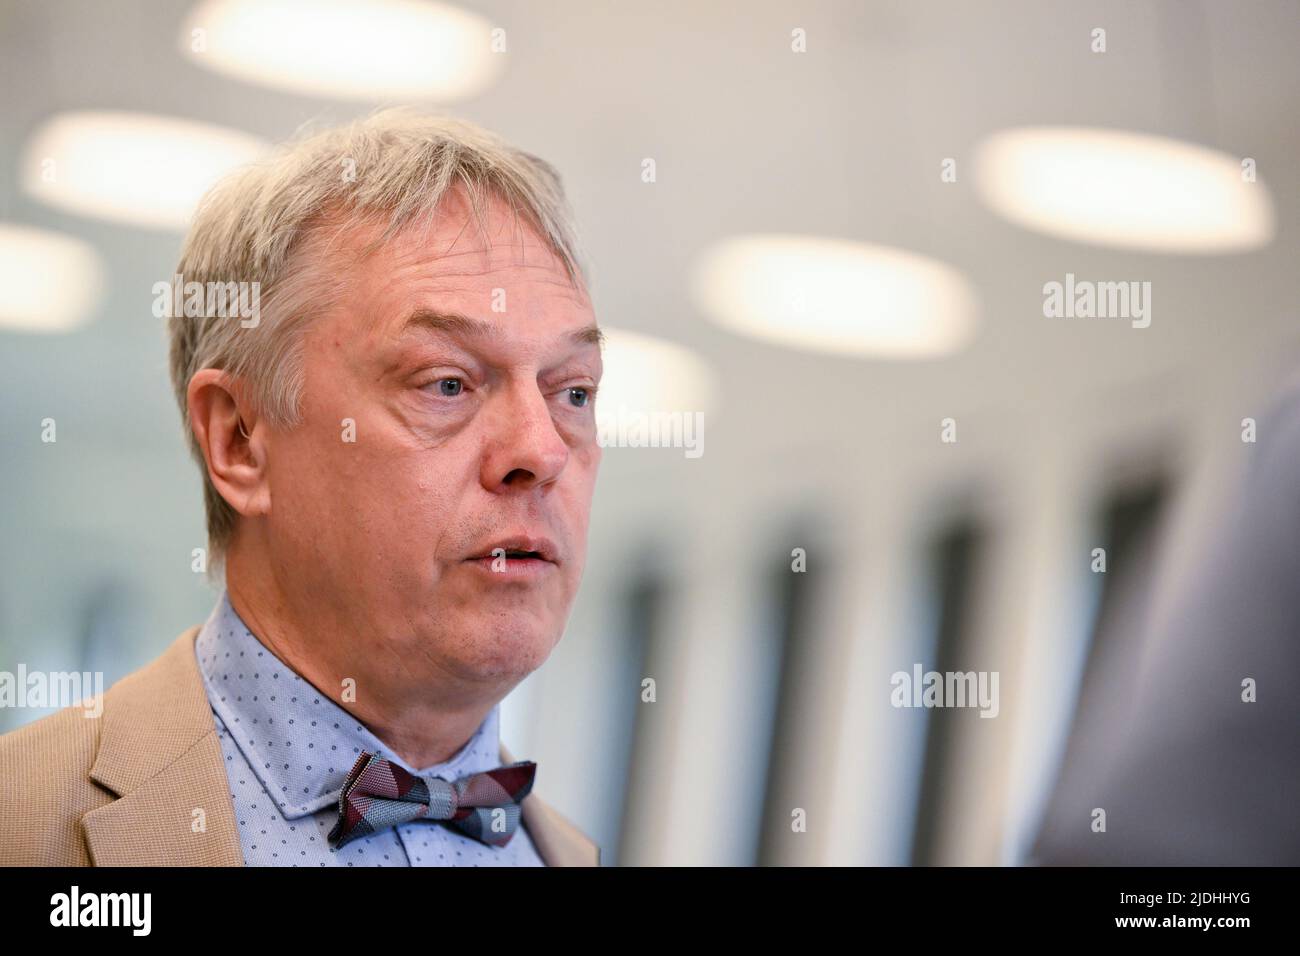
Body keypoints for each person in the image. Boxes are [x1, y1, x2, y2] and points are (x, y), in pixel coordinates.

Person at [0, 109, 604, 866]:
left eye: (573, 392)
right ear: (241, 441)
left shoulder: (568, 854)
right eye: (446, 382)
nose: (542, 450)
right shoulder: (20, 824)